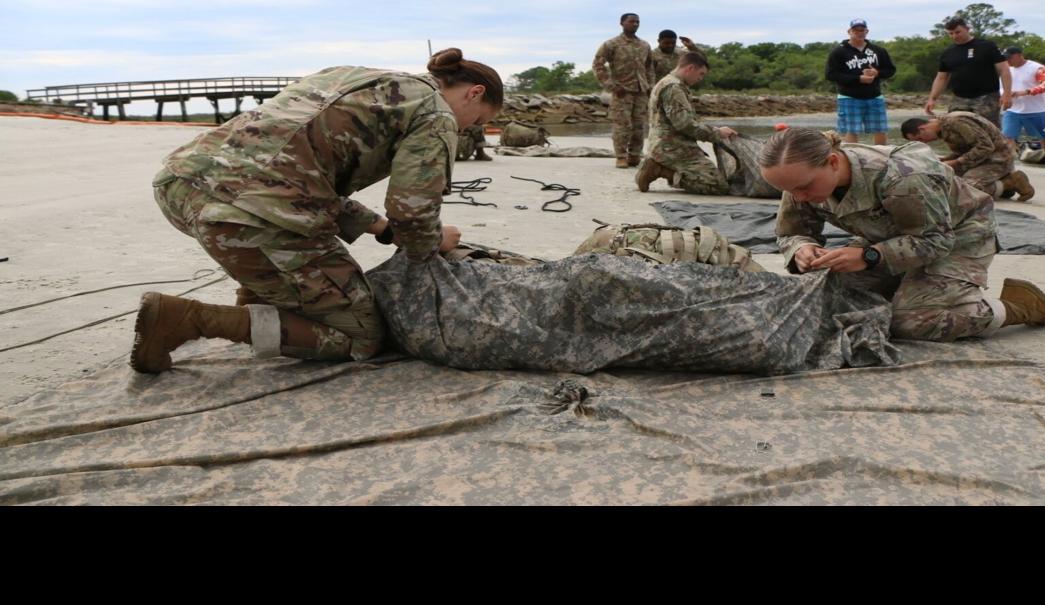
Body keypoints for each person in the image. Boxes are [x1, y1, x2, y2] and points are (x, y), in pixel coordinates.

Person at [132, 48, 502, 374]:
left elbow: (299, 177)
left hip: (180, 186)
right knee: (361, 334)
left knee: (290, 236)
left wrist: (383, 230)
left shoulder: (351, 75)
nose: (467, 129)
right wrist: (432, 243)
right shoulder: (435, 113)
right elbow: (413, 212)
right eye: (477, 121)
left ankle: (260, 299)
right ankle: (188, 320)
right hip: (245, 217)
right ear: (474, 93)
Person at [757, 128, 1045, 342]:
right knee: (819, 301)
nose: (798, 197)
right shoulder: (799, 181)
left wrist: (869, 256)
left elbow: (936, 240)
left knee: (911, 321)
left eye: (803, 188)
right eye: (789, 190)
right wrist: (802, 248)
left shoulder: (904, 176)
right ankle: (906, 286)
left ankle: (1020, 307)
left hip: (958, 236)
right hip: (889, 238)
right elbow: (791, 232)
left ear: (833, 162)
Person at [637, 52, 742, 194]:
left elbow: (685, 120)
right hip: (673, 149)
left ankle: (660, 166)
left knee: (718, 180)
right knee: (717, 185)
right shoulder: (673, 88)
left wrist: (715, 130)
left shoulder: (668, 83)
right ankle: (661, 170)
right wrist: (717, 133)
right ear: (690, 68)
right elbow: (684, 124)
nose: (700, 78)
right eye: (701, 74)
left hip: (669, 145)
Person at [900, 112, 1035, 201]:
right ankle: (1002, 187)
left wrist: (956, 162)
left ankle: (1010, 182)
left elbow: (985, 147)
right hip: (980, 159)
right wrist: (945, 160)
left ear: (923, 128)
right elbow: (965, 150)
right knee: (943, 181)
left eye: (921, 139)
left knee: (966, 191)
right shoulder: (943, 130)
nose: (925, 142)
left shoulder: (956, 122)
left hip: (997, 158)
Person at [923, 17, 1010, 127]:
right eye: (951, 33)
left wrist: (1007, 94)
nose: (955, 36)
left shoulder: (987, 46)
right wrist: (932, 99)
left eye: (958, 32)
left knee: (987, 129)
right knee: (955, 128)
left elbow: (1004, 70)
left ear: (967, 29)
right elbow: (941, 78)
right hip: (959, 98)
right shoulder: (948, 53)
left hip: (986, 97)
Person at [592, 12, 654, 167]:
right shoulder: (611, 44)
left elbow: (649, 68)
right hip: (622, 92)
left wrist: (650, 86)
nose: (635, 24)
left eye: (637, 22)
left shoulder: (645, 45)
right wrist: (612, 86)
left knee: (639, 126)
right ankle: (621, 156)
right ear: (622, 23)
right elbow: (598, 65)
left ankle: (635, 155)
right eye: (631, 21)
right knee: (622, 126)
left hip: (641, 92)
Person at [826, 18, 896, 145]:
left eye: (862, 30)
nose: (859, 33)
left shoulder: (878, 50)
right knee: (852, 130)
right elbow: (831, 74)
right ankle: (852, 154)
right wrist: (858, 79)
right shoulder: (839, 52)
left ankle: (881, 154)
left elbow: (890, 70)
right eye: (856, 30)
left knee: (880, 129)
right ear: (849, 31)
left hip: (875, 95)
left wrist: (877, 73)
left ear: (867, 31)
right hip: (849, 96)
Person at [1001, 45, 1045, 175]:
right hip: (1013, 110)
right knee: (1007, 137)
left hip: (1035, 110)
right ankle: (1008, 167)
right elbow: (1001, 87)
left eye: (1009, 57)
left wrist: (1027, 92)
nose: (1007, 60)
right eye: (1006, 58)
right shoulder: (1007, 70)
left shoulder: (1036, 68)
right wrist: (1005, 95)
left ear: (1018, 55)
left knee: (1043, 138)